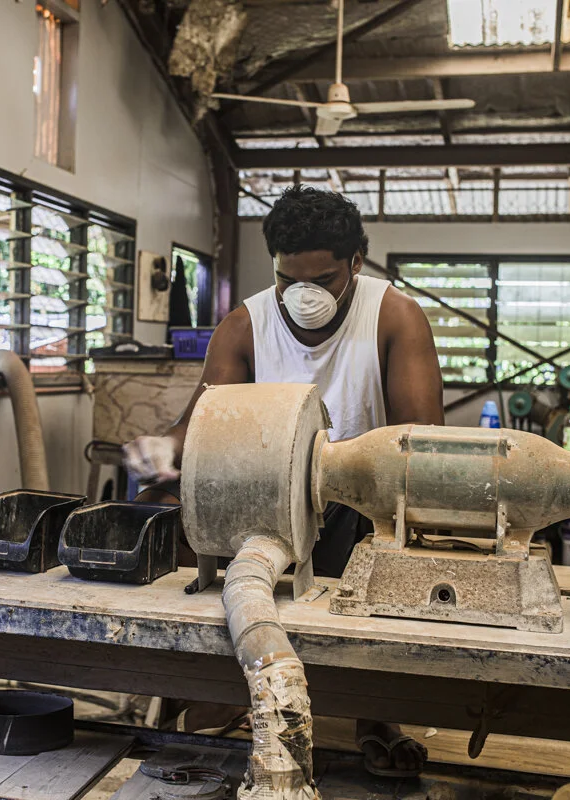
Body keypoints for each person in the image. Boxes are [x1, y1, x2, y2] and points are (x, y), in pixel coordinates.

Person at [124, 185, 444, 777]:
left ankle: (374, 708)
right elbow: (201, 423)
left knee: (401, 531)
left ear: (355, 263)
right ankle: (209, 687)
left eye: (322, 280)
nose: (303, 295)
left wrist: (344, 476)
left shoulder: (393, 317)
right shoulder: (246, 324)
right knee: (154, 512)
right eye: (287, 279)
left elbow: (421, 446)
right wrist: (164, 448)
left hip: (360, 502)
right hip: (261, 499)